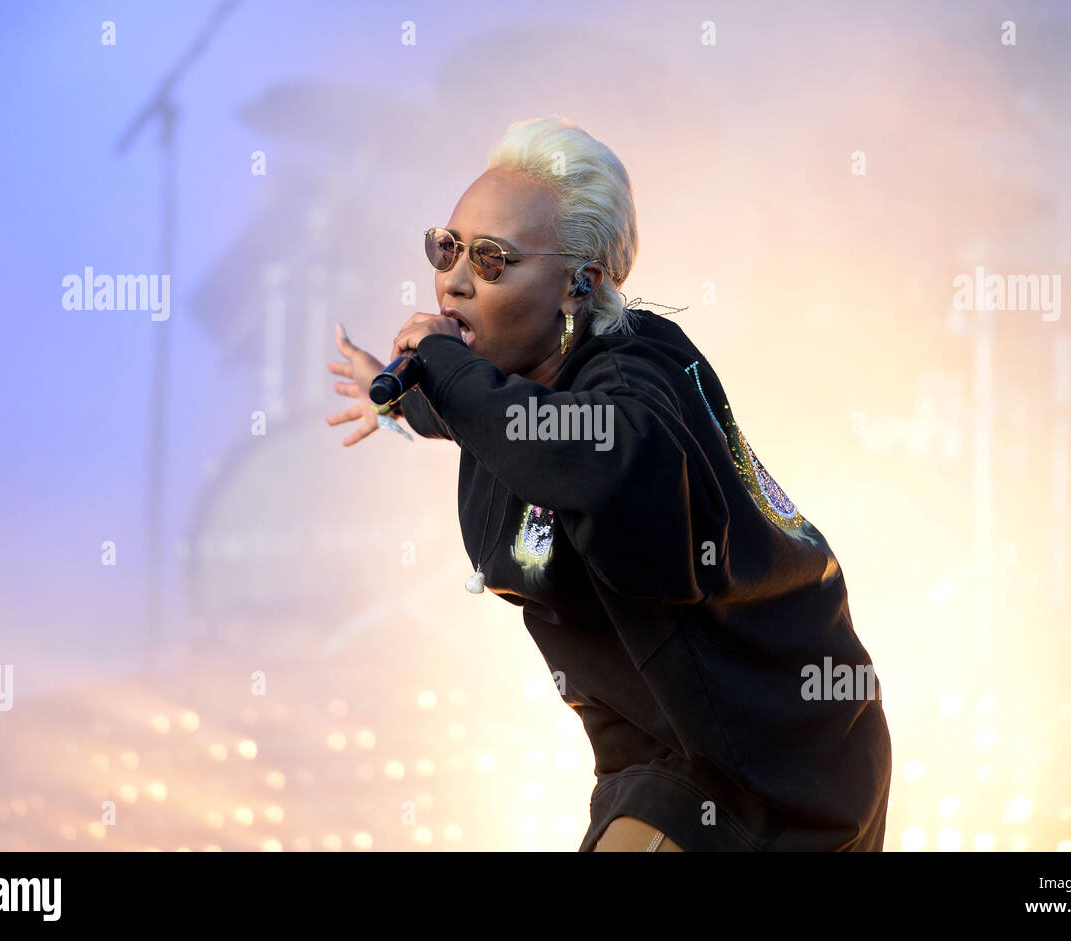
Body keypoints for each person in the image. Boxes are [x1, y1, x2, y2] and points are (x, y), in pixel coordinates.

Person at [325, 116, 891, 852]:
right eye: (448, 247)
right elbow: (492, 414)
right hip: (663, 750)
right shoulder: (521, 379)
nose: (454, 280)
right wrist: (404, 393)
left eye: (493, 260)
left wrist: (448, 371)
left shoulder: (632, 387)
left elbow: (582, 454)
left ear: (579, 284)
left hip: (764, 762)